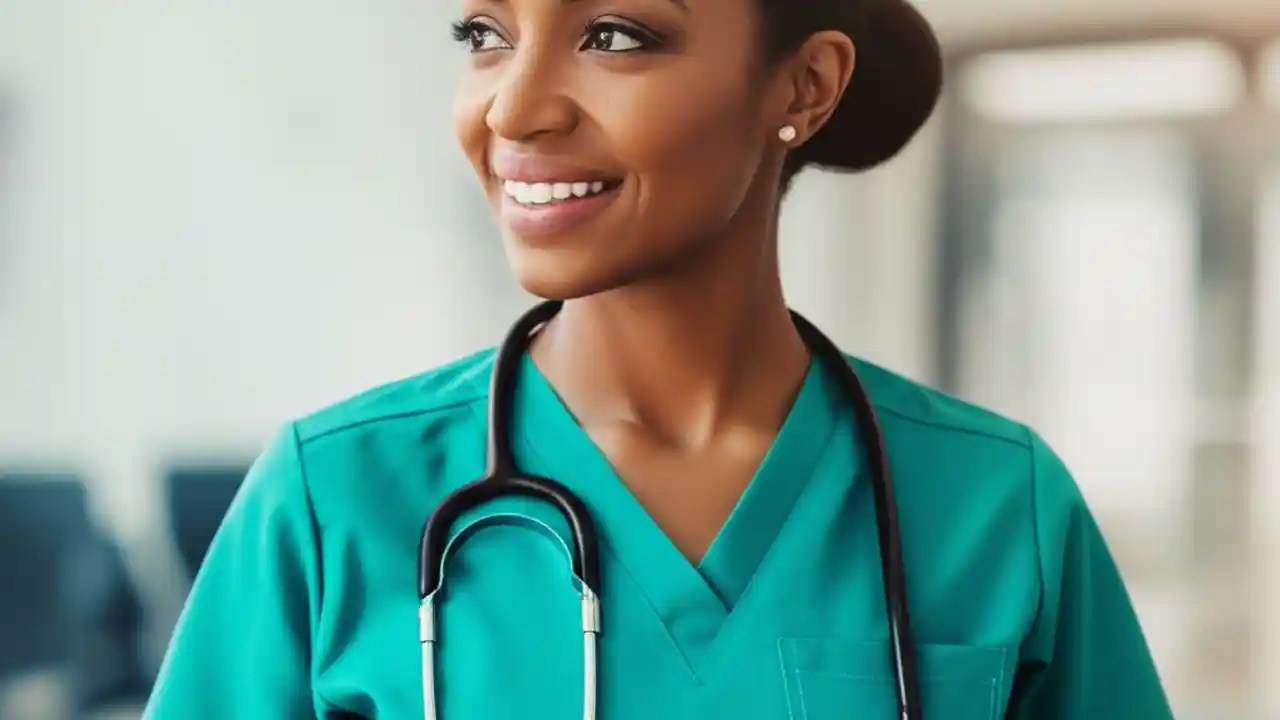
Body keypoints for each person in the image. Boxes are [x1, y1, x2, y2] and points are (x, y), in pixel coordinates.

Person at [144, 0, 1174, 717]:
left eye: (614, 35)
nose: (513, 109)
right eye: (485, 35)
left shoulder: (997, 503)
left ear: (805, 86)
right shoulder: (332, 500)